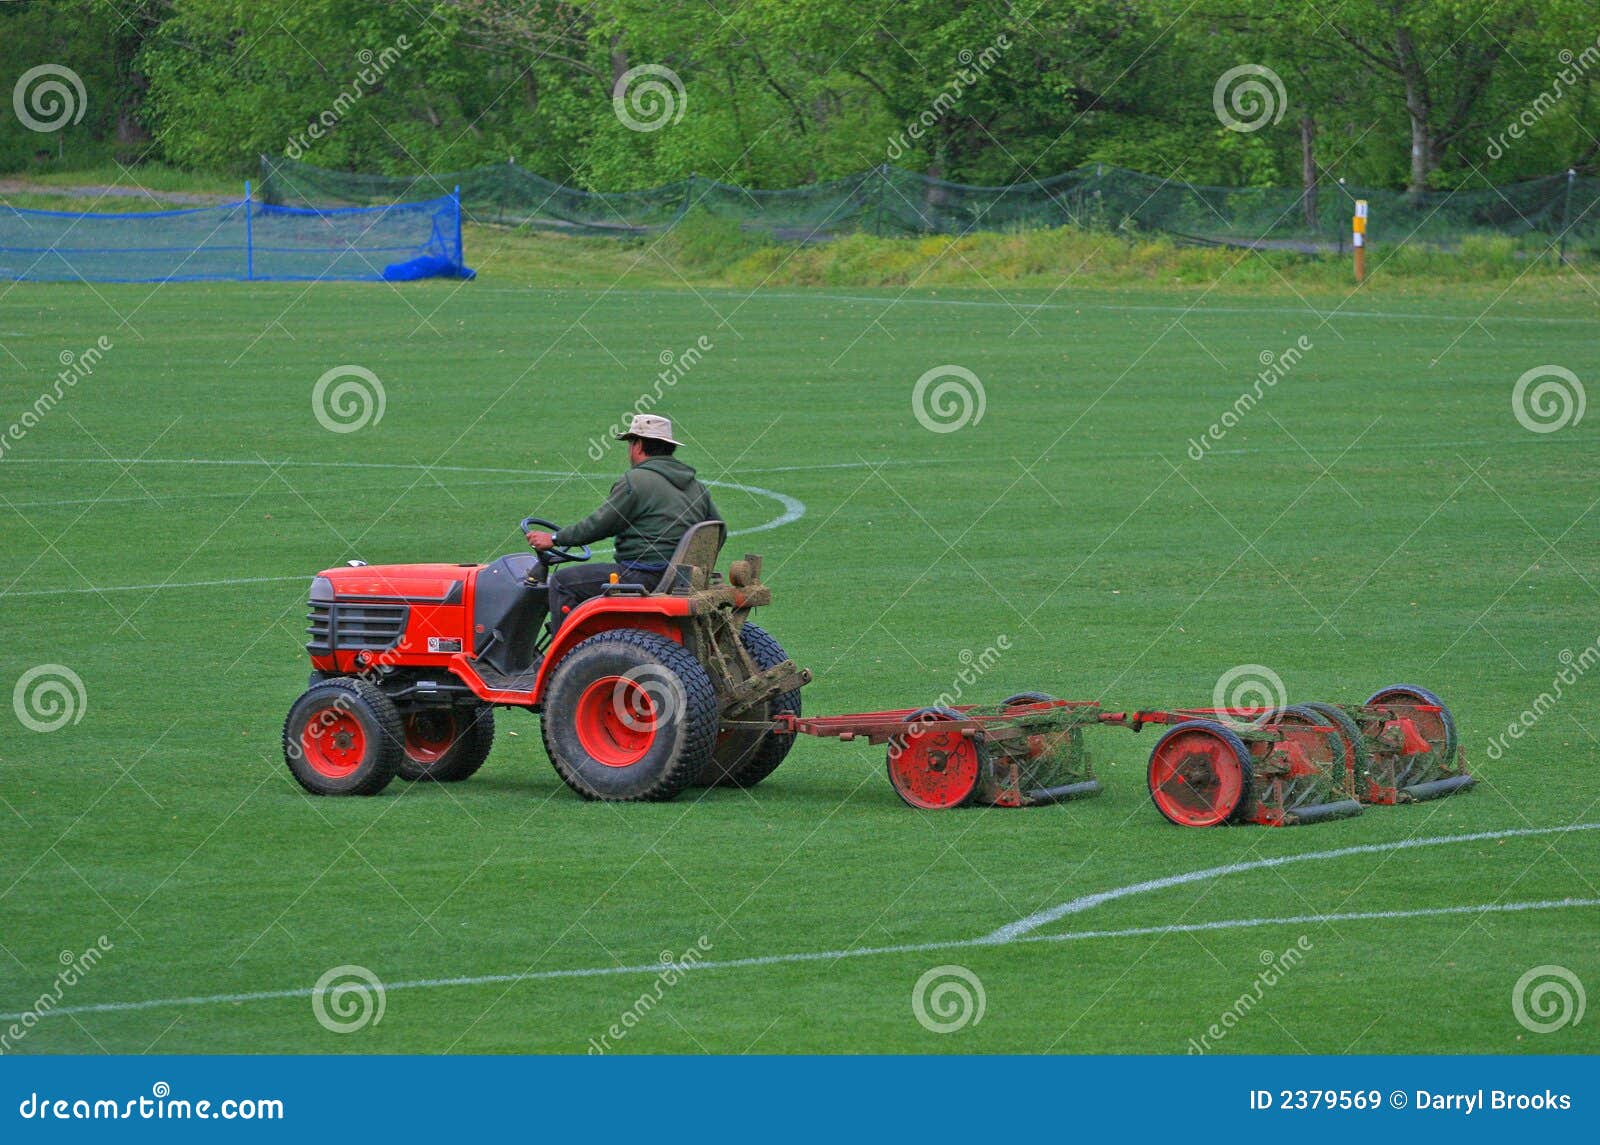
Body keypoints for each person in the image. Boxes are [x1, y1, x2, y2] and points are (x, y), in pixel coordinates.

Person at [527, 414, 720, 627]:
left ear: (638, 445)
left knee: (562, 582)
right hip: (683, 578)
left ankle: (566, 656)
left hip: (643, 575)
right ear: (668, 447)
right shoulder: (697, 487)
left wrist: (555, 538)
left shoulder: (635, 481)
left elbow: (600, 524)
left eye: (630, 443)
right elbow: (719, 530)